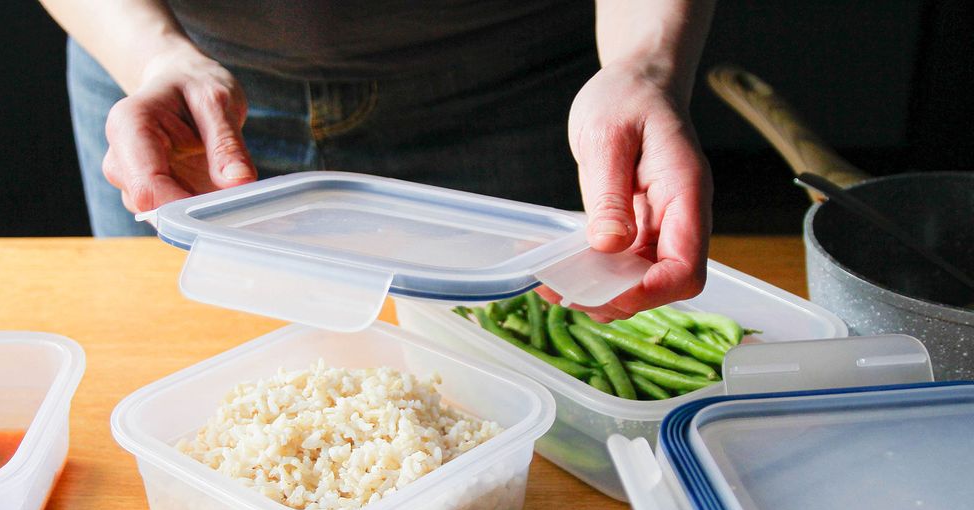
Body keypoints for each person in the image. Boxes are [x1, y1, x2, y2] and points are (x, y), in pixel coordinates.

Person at [41, 1, 715, 317]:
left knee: (514, 377)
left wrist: (643, 67)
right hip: (167, 85)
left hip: (519, 88)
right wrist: (153, 56)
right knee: (163, 365)